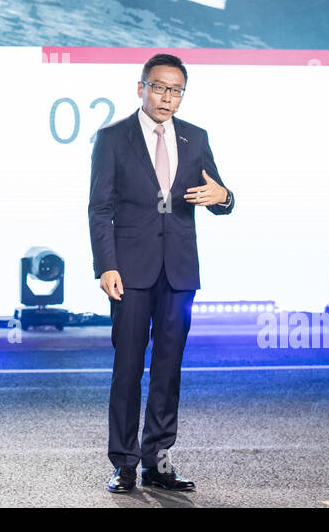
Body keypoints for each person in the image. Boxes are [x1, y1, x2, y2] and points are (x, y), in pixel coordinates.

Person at [88, 53, 234, 493]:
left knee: (169, 369)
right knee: (128, 367)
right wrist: (106, 265)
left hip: (179, 271)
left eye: (175, 90)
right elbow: (100, 208)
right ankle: (125, 463)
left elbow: (220, 196)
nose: (167, 97)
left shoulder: (195, 137)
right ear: (141, 88)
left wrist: (224, 196)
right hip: (129, 272)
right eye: (159, 87)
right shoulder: (113, 138)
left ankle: (158, 459)